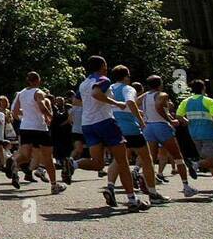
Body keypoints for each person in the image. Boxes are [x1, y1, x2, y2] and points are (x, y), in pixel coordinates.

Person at [64, 55, 142, 208]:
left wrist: (91, 105)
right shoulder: (104, 79)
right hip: (105, 122)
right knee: (122, 161)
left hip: (88, 125)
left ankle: (73, 164)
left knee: (98, 163)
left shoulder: (84, 83)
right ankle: (132, 199)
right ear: (102, 66)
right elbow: (96, 93)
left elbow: (76, 101)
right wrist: (116, 103)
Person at [108, 65, 163, 203]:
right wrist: (140, 120)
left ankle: (110, 186)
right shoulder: (128, 88)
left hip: (114, 127)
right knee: (147, 158)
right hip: (130, 127)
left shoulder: (109, 88)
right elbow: (131, 102)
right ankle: (153, 193)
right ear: (126, 76)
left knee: (119, 159)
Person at [138, 75, 197, 198]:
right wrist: (170, 120)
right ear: (160, 84)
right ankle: (186, 186)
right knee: (177, 157)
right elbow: (159, 107)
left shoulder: (144, 96)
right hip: (161, 126)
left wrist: (143, 116)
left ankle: (150, 189)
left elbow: (134, 103)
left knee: (150, 160)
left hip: (148, 127)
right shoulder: (162, 95)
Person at [11, 72, 63, 195]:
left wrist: (26, 116)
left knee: (25, 155)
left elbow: (15, 111)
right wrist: (50, 116)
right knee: (48, 158)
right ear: (38, 80)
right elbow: (42, 107)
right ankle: (54, 185)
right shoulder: (38, 92)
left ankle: (13, 163)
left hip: (25, 127)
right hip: (39, 128)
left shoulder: (21, 93)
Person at [176, 80, 213, 196]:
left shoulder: (186, 101)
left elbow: (179, 115)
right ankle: (195, 164)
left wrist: (186, 121)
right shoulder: (209, 101)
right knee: (211, 162)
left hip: (194, 134)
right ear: (203, 88)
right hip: (209, 133)